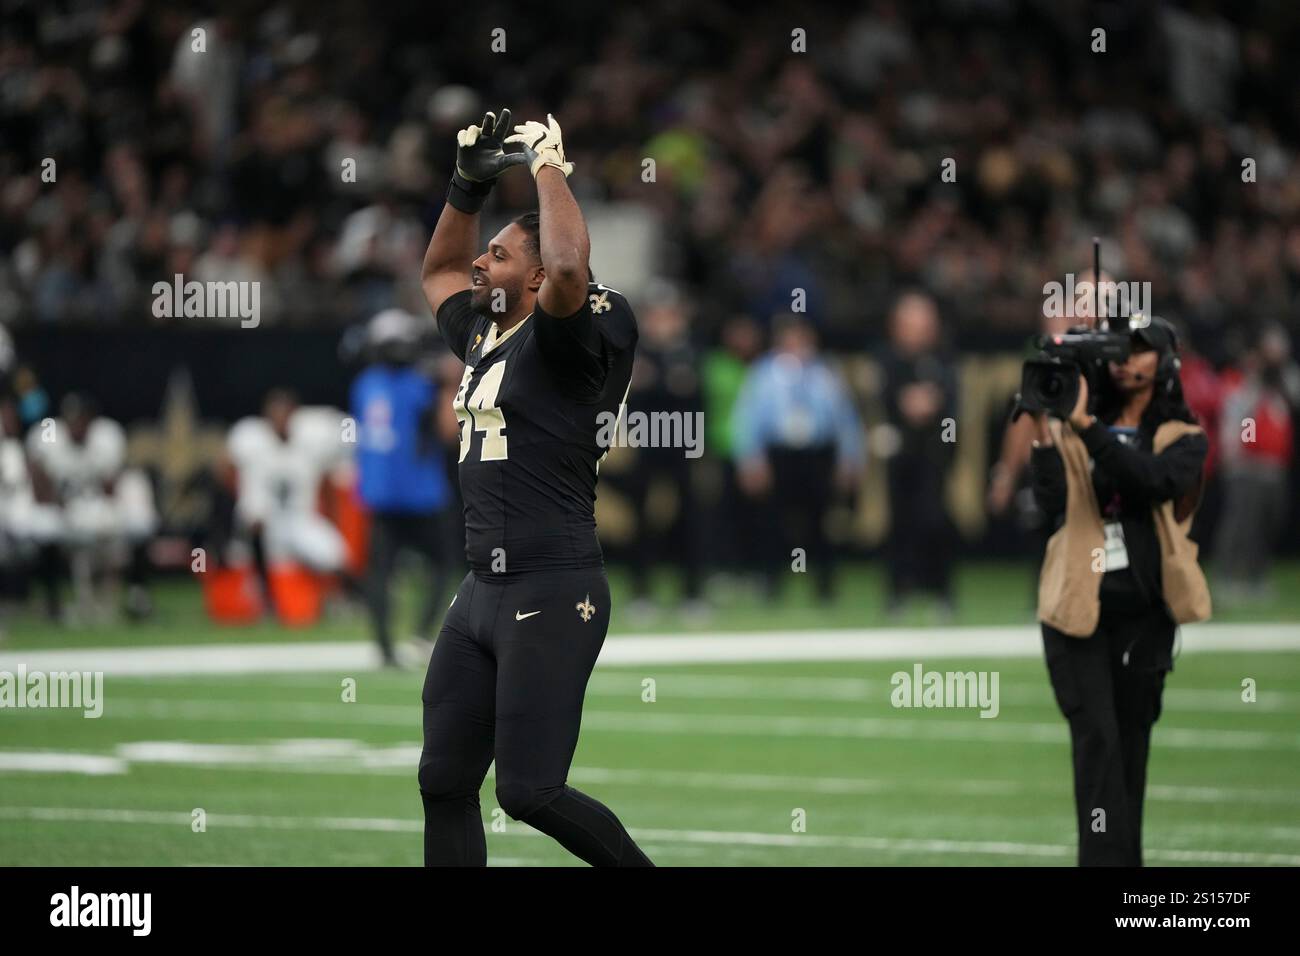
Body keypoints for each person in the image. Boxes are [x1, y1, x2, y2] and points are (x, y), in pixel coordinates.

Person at [417, 109, 651, 866]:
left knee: (529, 791)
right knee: (444, 778)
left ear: (539, 273)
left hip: (551, 587)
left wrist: (548, 164)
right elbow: (439, 273)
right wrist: (467, 187)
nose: (480, 263)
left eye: (500, 254)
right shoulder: (488, 330)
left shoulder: (568, 334)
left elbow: (573, 275)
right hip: (481, 587)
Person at [1029, 314, 1211, 866]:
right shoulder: (1075, 423)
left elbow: (1149, 480)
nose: (1129, 360)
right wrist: (1044, 430)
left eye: (1141, 349)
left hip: (1145, 616)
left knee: (1131, 749)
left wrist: (1087, 429)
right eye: (1119, 349)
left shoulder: (1184, 437)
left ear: (1166, 361)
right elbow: (1051, 502)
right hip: (1077, 612)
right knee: (1099, 743)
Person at [350, 309, 459, 667]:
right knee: (442, 564)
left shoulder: (365, 384)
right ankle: (421, 634)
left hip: (380, 493)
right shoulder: (417, 387)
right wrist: (447, 385)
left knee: (380, 571)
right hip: (419, 493)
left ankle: (383, 648)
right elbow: (448, 431)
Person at [733, 315, 863, 601]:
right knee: (772, 523)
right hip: (779, 455)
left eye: (801, 339)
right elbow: (747, 418)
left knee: (820, 522)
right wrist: (750, 459)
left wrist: (849, 457)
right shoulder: (763, 373)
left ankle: (825, 586)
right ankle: (771, 584)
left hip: (816, 455)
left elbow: (845, 418)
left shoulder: (825, 373)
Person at [878, 291, 959, 617]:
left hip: (935, 454)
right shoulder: (888, 359)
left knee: (934, 519)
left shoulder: (943, 359)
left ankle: (941, 591)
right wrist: (909, 404)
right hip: (900, 454)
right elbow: (887, 400)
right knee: (900, 522)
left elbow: (951, 404)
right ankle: (898, 590)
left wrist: (931, 406)